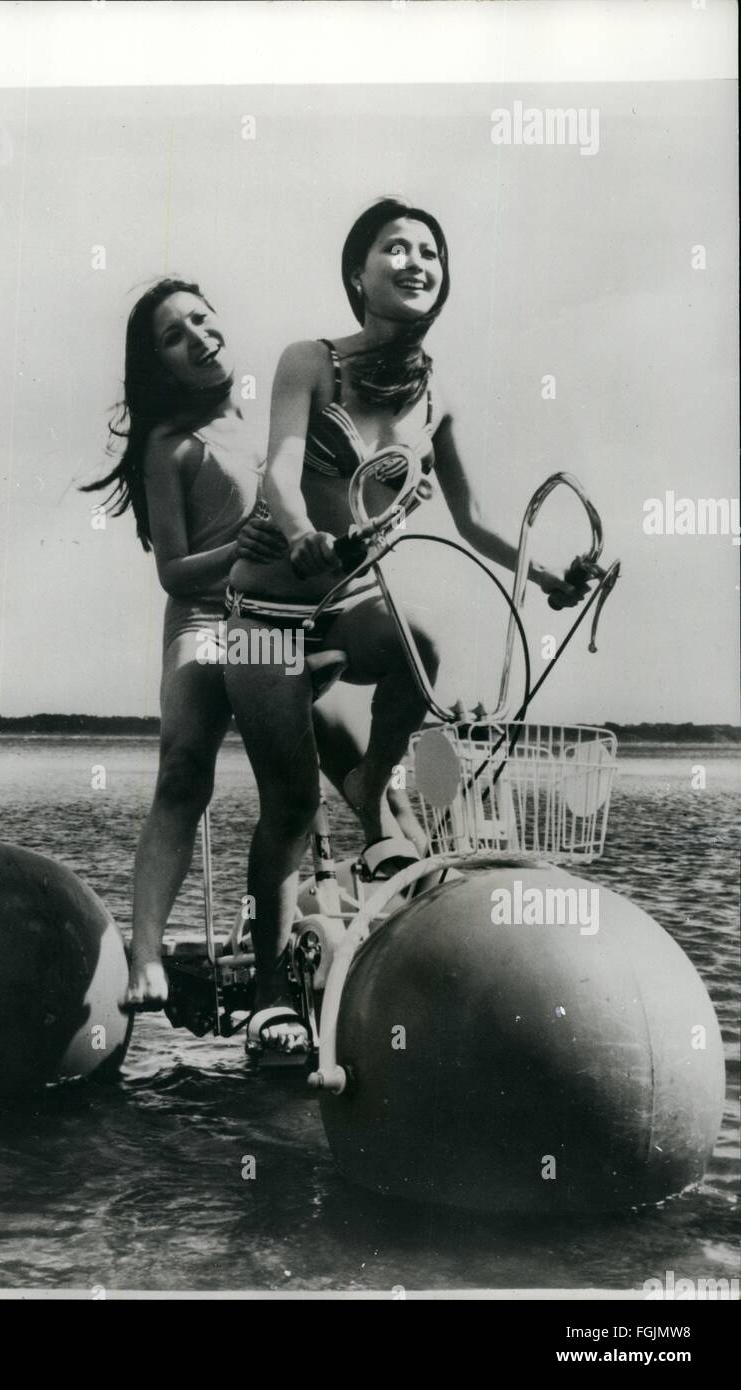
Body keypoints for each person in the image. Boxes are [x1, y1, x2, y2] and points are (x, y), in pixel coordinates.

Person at [224, 198, 593, 1054]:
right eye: (395, 247)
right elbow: (280, 469)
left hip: (348, 602)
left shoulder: (439, 396)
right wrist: (304, 534)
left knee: (417, 645)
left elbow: (474, 519)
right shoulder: (307, 360)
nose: (415, 260)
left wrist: (546, 575)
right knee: (285, 806)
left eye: (429, 250)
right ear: (359, 273)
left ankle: (378, 819)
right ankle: (271, 1001)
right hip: (262, 607)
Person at [82, 277, 419, 1010]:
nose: (198, 337)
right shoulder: (172, 447)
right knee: (183, 770)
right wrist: (239, 545)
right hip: (206, 622)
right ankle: (145, 958)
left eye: (201, 320)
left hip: (285, 618)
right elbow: (173, 571)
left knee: (358, 753)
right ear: (159, 363)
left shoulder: (277, 422)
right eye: (174, 335)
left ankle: (396, 891)